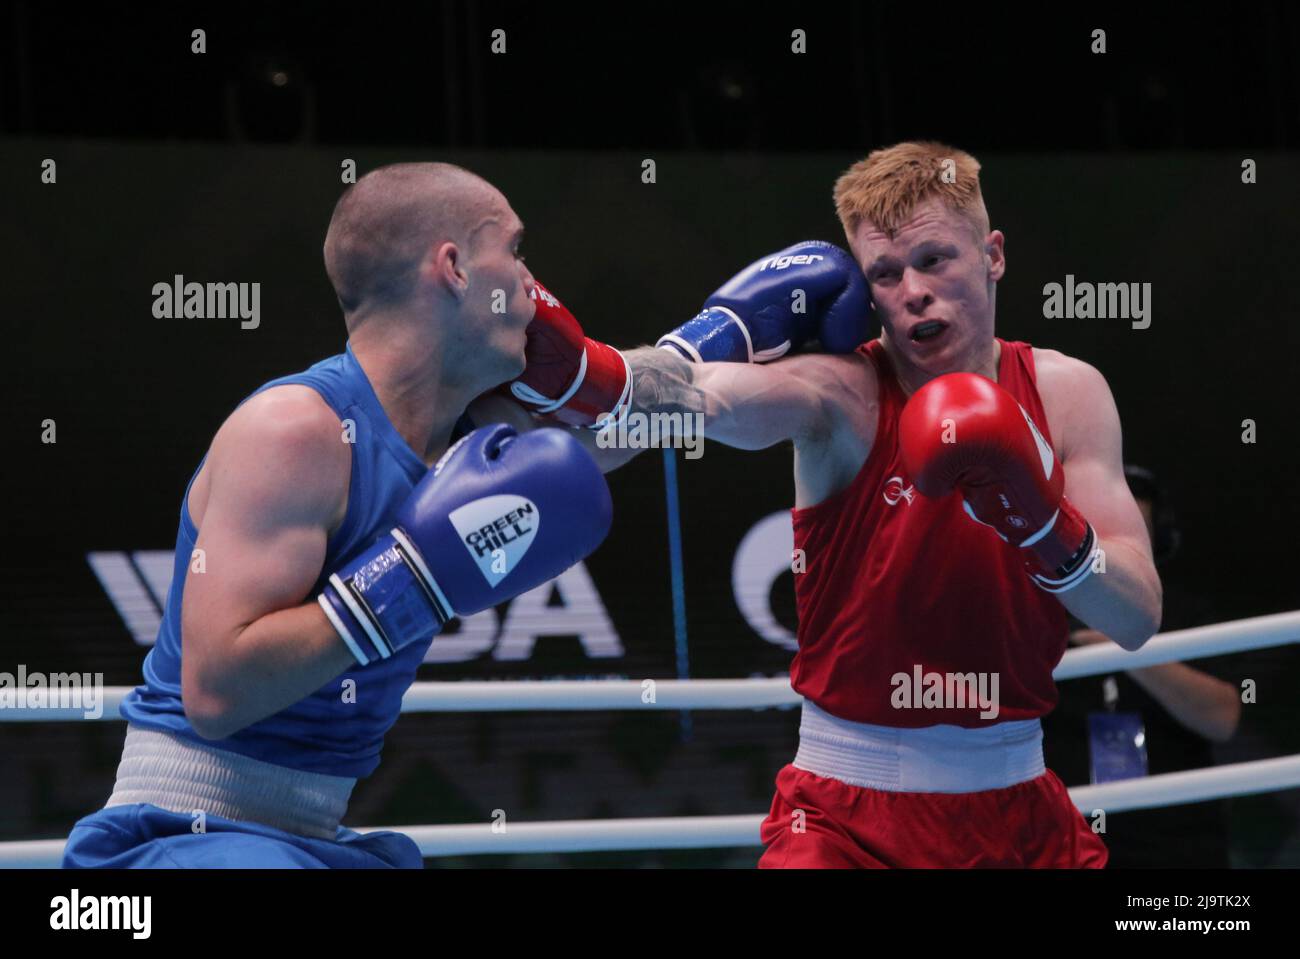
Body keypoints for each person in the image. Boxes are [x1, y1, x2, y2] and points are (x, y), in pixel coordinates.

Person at [483, 140, 1163, 867]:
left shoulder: (1067, 394)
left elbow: (1136, 618)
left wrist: (1041, 520)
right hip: (846, 820)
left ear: (993, 254)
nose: (913, 291)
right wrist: (589, 375)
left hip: (1022, 810)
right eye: (886, 273)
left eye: (935, 260)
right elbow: (691, 405)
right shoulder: (841, 394)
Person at [62, 163, 614, 868]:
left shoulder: (481, 441)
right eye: (514, 250)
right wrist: (410, 582)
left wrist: (730, 334)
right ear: (453, 267)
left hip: (317, 840)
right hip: (182, 835)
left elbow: (664, 413)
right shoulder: (295, 428)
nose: (534, 287)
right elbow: (214, 693)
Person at [1043, 464, 1239, 867]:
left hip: (1178, 844)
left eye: (1131, 526)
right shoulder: (1032, 616)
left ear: (1157, 538)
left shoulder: (1186, 613)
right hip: (1063, 841)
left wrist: (1125, 641)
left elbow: (1223, 718)